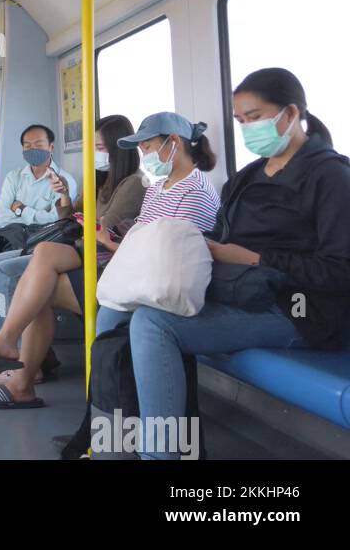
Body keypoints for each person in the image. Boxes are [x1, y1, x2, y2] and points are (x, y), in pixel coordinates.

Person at [97, 69, 350, 459]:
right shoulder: (247, 179)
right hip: (241, 289)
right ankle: (109, 431)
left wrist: (252, 257)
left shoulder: (330, 176)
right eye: (241, 121)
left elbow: (338, 270)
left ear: (290, 113)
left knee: (153, 322)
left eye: (255, 117)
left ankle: (157, 454)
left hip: (298, 308)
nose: (248, 128)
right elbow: (216, 235)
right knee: (123, 306)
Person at [0, 111, 221, 411]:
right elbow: (142, 237)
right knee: (40, 266)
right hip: (131, 263)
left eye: (147, 147)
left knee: (37, 278)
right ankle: (12, 363)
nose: (143, 154)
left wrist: (108, 238)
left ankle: (12, 363)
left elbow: (174, 252)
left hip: (150, 279)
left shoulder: (194, 190)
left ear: (174, 142)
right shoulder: (160, 188)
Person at [0, 115, 147, 383]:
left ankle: (6, 351)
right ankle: (10, 350)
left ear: (117, 149)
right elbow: (68, 216)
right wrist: (65, 196)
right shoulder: (99, 180)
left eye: (100, 148)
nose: (95, 154)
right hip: (70, 246)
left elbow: (104, 228)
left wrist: (31, 210)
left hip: (92, 254)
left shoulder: (133, 184)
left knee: (7, 273)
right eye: (94, 148)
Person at [0, 124, 78, 317]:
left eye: (38, 144)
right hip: (10, 233)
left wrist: (20, 209)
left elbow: (56, 219)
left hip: (41, 238)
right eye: (27, 146)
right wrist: (31, 214)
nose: (32, 149)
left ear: (51, 147)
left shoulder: (63, 181)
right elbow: (2, 214)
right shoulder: (14, 177)